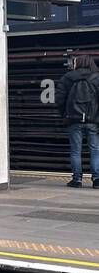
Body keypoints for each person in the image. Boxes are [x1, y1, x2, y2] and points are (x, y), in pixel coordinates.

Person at [58, 53, 99, 188]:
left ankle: (77, 180)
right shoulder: (96, 78)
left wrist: (65, 115)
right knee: (95, 150)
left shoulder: (68, 78)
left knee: (76, 150)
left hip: (74, 120)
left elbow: (60, 99)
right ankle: (97, 179)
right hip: (93, 120)